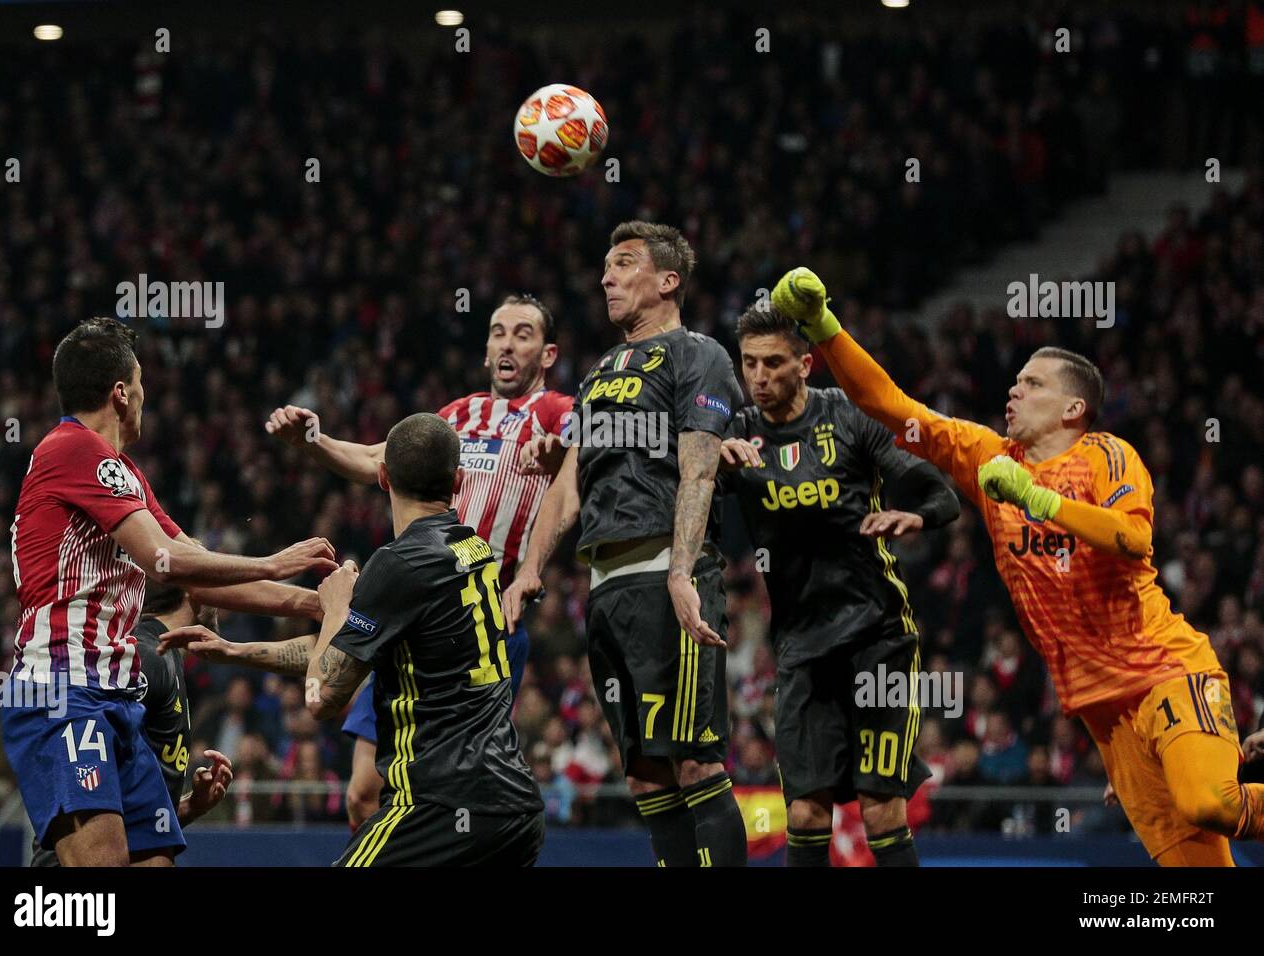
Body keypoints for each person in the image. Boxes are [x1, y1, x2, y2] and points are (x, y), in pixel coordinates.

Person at [771, 266, 1264, 866]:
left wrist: (1039, 501)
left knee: (1210, 803)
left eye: (1031, 384)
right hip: (1102, 713)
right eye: (1014, 382)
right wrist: (823, 327)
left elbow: (1133, 538)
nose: (1013, 392)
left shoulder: (1107, 453)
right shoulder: (989, 457)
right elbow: (892, 408)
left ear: (1074, 407)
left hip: (1165, 670)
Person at [1, 318, 337, 867]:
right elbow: (166, 560)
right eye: (142, 382)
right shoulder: (69, 449)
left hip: (115, 695)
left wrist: (310, 603)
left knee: (154, 859)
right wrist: (276, 561)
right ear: (121, 391)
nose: (145, 395)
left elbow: (196, 568)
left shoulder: (120, 471)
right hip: (61, 691)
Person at [172, 413, 545, 865]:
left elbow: (321, 696)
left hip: (439, 804)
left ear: (383, 477)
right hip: (515, 807)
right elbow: (345, 653)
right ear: (460, 481)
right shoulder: (476, 549)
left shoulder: (398, 563)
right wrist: (237, 651)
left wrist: (335, 604)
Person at [265, 294, 572, 826]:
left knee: (449, 792)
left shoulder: (559, 412)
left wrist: (559, 453)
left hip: (483, 621)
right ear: (484, 351)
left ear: (547, 354)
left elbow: (589, 457)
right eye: (498, 332)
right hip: (412, 611)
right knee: (363, 792)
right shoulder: (455, 415)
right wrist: (312, 438)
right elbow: (374, 458)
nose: (507, 342)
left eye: (523, 334)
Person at [505, 221, 748, 866]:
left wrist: (683, 573)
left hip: (669, 575)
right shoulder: (602, 371)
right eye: (604, 267)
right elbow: (567, 485)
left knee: (695, 761)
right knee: (646, 776)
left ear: (668, 281)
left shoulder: (700, 355)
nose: (606, 277)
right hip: (607, 590)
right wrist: (531, 567)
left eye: (623, 265)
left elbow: (699, 467)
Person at [716, 304, 959, 866]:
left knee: (880, 809)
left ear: (806, 364)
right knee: (803, 813)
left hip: (878, 637)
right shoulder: (736, 434)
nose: (759, 377)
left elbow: (939, 494)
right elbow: (682, 485)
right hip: (801, 646)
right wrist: (713, 466)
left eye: (773, 363)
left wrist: (915, 517)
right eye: (749, 364)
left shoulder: (851, 418)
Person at [32, 581, 233, 866]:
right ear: (192, 589)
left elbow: (128, 812)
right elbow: (72, 751)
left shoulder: (163, 658)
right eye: (205, 574)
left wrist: (191, 807)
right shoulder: (144, 655)